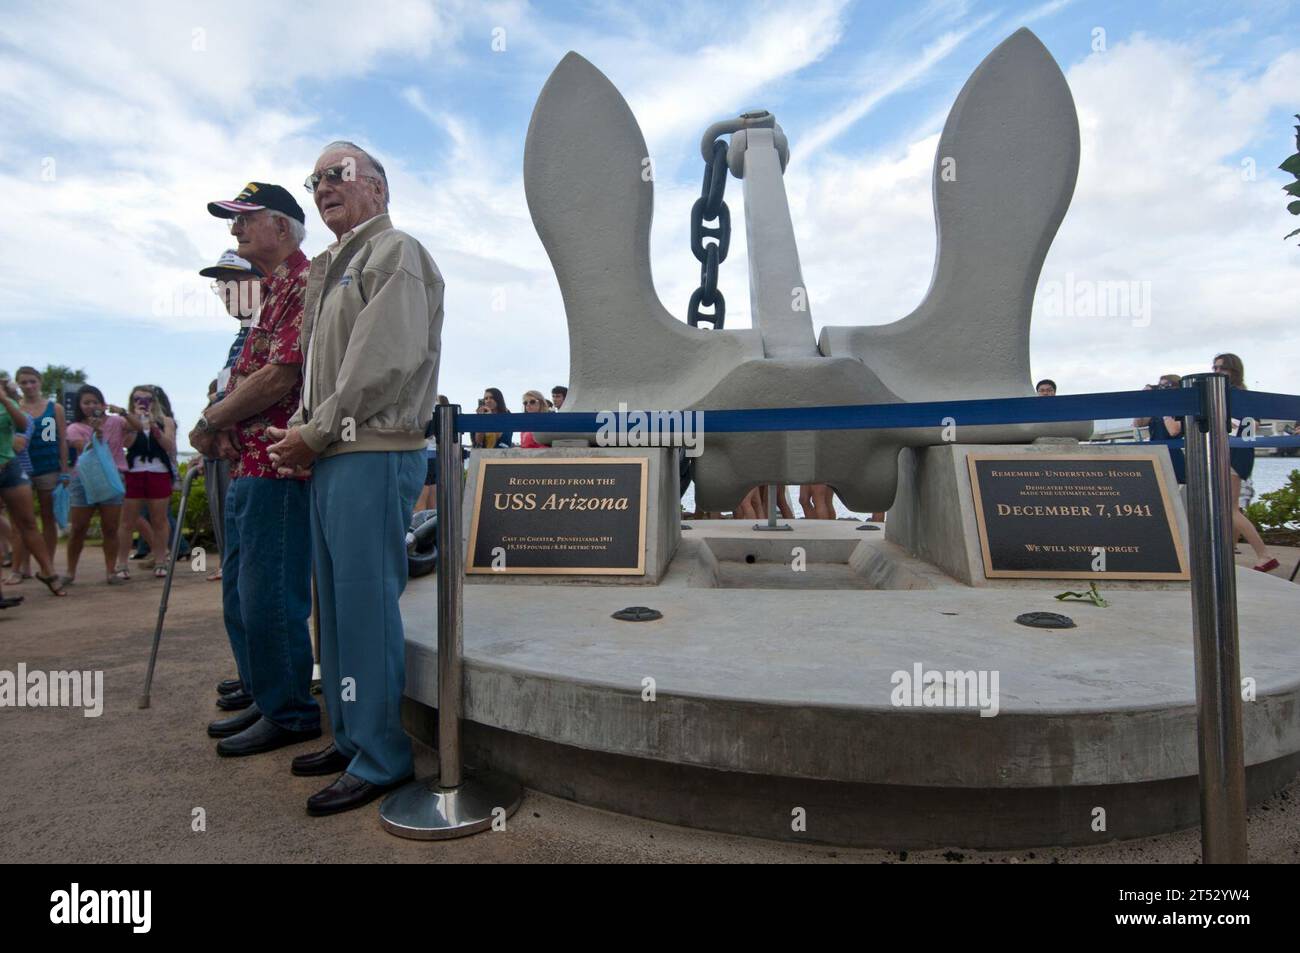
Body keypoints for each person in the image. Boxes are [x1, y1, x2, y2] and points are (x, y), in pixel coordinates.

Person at [268, 140, 443, 816]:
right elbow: (327, 372)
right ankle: (350, 735)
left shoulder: (393, 253)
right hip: (334, 452)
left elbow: (381, 363)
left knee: (366, 608)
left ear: (377, 186)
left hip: (369, 448)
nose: (321, 186)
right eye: (314, 179)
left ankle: (382, 755)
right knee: (336, 611)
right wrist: (309, 432)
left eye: (336, 174)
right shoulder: (335, 266)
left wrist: (314, 431)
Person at [192, 181, 320, 753]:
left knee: (270, 596)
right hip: (250, 464)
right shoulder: (271, 292)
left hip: (277, 465)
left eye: (246, 219)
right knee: (249, 592)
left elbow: (280, 376)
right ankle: (272, 700)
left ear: (283, 226)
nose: (235, 230)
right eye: (233, 221)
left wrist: (212, 417)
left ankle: (290, 712)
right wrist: (220, 422)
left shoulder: (303, 281)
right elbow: (249, 376)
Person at [199, 249, 264, 586]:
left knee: (258, 581)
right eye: (221, 284)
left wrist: (213, 418)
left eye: (234, 282)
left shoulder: (268, 328)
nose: (226, 290)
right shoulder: (242, 334)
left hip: (259, 464)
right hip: (233, 462)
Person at [63, 385, 135, 585]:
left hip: (112, 478)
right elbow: (86, 449)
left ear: (102, 404)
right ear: (79, 405)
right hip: (83, 480)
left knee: (111, 528)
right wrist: (96, 432)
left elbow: (138, 427)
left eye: (95, 402)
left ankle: (111, 571)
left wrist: (122, 411)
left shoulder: (116, 421)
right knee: (78, 528)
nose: (91, 406)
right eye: (86, 402)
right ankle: (70, 572)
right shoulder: (74, 428)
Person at [0, 376, 65, 596]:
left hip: (30, 466)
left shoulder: (48, 408)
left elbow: (45, 433)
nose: (29, 386)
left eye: (32, 381)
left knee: (36, 521)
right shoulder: (23, 406)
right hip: (23, 465)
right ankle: (19, 568)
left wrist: (63, 467)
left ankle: (48, 570)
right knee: (16, 524)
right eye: (24, 382)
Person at [1213, 353, 1277, 572]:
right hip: (1235, 452)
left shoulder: (1234, 395)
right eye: (1215, 368)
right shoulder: (1236, 394)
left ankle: (1264, 554)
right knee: (1231, 507)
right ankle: (1228, 555)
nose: (1216, 372)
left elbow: (1251, 427)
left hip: (1234, 454)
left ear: (1233, 371)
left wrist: (1229, 428)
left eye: (1221, 368)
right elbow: (1252, 427)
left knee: (1229, 509)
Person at [114, 386, 177, 579]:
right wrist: (136, 424)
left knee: (159, 519)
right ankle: (122, 563)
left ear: (154, 401)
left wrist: (154, 428)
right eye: (137, 399)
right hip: (134, 471)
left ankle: (161, 560)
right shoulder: (125, 422)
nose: (143, 403)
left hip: (159, 471)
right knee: (128, 520)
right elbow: (125, 444)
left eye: (147, 399)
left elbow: (170, 446)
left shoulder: (166, 421)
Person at [1135, 374, 1185, 484]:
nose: (1163, 390)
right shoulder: (1158, 409)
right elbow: (1138, 423)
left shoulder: (1181, 408)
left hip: (1173, 456)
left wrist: (1163, 406)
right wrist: (1143, 400)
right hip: (1156, 454)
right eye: (1160, 387)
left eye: (1167, 386)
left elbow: (1173, 431)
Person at [415, 395, 449, 513]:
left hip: (424, 453)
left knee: (419, 501)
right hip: (436, 456)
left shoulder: (426, 406)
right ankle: (431, 529)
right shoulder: (441, 409)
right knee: (433, 502)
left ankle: (419, 528)